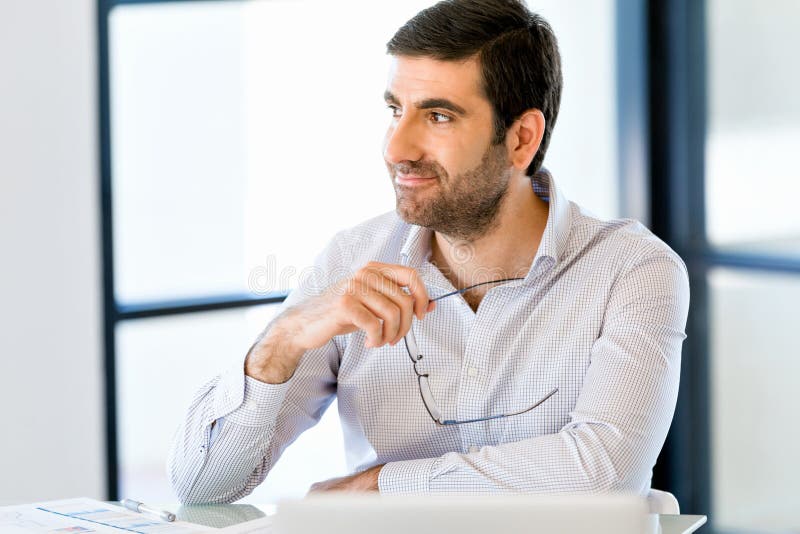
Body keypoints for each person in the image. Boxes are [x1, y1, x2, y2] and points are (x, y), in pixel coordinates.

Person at [168, 0, 689, 503]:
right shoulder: (351, 260)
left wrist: (383, 488)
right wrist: (280, 342)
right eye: (396, 110)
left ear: (521, 139)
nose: (396, 148)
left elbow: (604, 475)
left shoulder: (633, 271)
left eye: (438, 116)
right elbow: (203, 486)